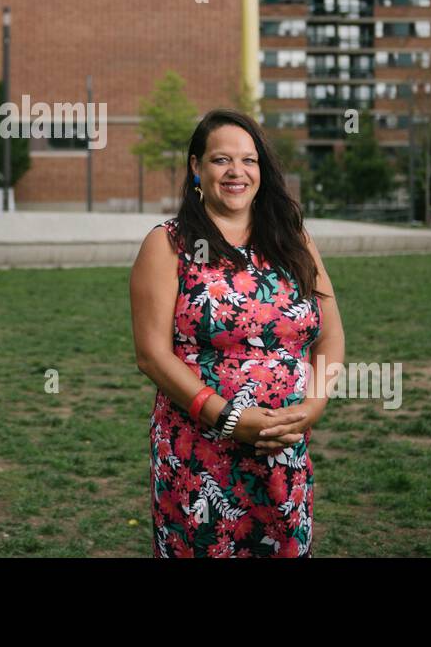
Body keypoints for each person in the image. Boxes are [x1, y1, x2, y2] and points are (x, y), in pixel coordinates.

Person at [130, 108, 345, 557]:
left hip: (282, 452)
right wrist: (229, 419)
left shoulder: (293, 240)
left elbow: (329, 334)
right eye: (221, 159)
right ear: (196, 166)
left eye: (249, 160)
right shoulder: (168, 244)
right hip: (199, 455)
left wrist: (313, 406)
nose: (237, 172)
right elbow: (152, 354)